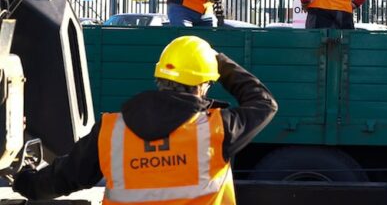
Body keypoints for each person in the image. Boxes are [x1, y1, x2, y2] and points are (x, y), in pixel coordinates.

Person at [12, 35, 278, 203]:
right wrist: (218, 61)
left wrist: (24, 179)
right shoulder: (217, 130)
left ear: (160, 79)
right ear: (202, 85)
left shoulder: (111, 130)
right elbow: (264, 103)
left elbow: (61, 179)